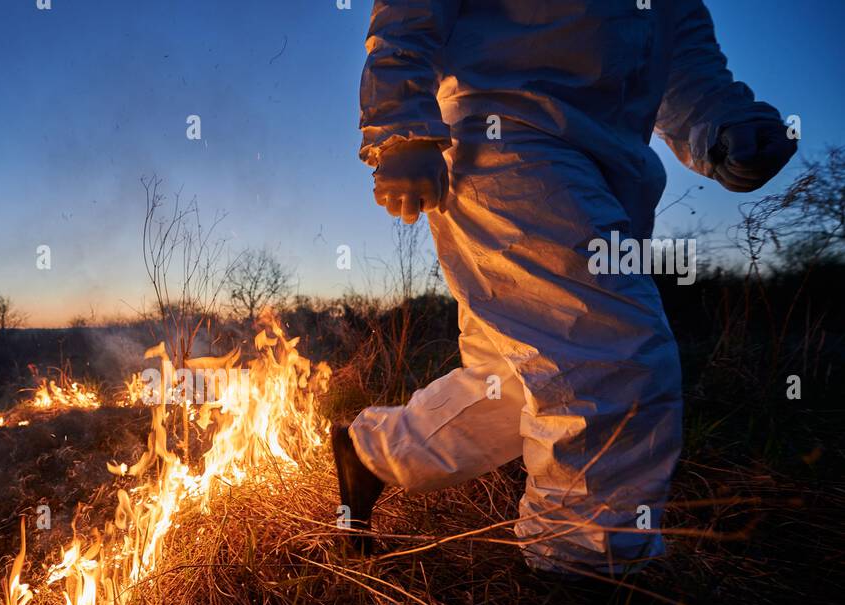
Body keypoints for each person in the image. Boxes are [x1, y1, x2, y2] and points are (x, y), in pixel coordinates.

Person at [333, 0, 797, 573]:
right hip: (504, 139)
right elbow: (412, 12)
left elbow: (689, 72)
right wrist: (401, 128)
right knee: (612, 360)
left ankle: (369, 451)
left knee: (516, 379)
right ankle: (581, 572)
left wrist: (729, 127)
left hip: (614, 172)